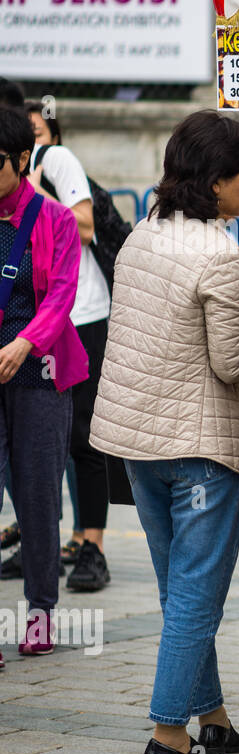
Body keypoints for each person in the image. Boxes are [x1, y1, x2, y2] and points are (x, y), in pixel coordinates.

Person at [89, 110, 239, 754]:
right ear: (216, 181)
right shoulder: (221, 253)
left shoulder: (139, 238)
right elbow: (229, 361)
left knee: (181, 589)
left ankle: (211, 717)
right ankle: (167, 736)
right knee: (194, 594)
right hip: (200, 448)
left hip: (137, 443)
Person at [0, 106, 89, 670]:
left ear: (21, 160)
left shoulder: (54, 220)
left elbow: (62, 295)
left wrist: (25, 343)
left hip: (38, 371)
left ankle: (40, 612)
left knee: (36, 495)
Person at [23, 100, 113, 591]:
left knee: (83, 434)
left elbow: (85, 225)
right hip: (37, 319)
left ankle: (93, 546)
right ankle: (56, 540)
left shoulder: (55, 163)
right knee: (40, 439)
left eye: (37, 132)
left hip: (81, 313)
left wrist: (37, 197)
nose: (31, 142)